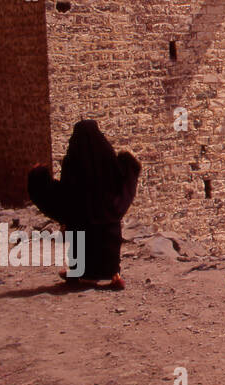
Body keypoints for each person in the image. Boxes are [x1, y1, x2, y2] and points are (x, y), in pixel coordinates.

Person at [27, 119, 141, 289]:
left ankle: (77, 272)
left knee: (79, 241)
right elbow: (123, 179)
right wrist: (127, 161)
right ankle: (114, 276)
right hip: (106, 216)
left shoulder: (73, 159)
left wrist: (39, 176)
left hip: (80, 215)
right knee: (108, 244)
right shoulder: (107, 156)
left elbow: (65, 192)